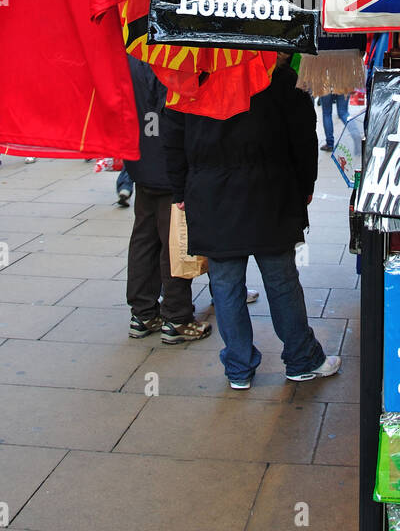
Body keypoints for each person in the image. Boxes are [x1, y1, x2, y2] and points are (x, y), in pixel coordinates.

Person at [180, 56, 340, 389]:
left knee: (225, 284)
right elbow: (303, 137)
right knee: (281, 279)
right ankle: (301, 359)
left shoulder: (194, 74)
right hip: (271, 193)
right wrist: (305, 185)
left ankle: (238, 367)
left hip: (212, 195)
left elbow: (172, 131)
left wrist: (178, 186)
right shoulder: (279, 77)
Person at [124, 56, 211, 343]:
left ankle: (143, 312)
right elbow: (173, 112)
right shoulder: (168, 56)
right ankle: (177, 317)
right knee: (173, 241)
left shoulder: (130, 54)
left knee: (144, 237)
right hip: (168, 163)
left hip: (140, 157)